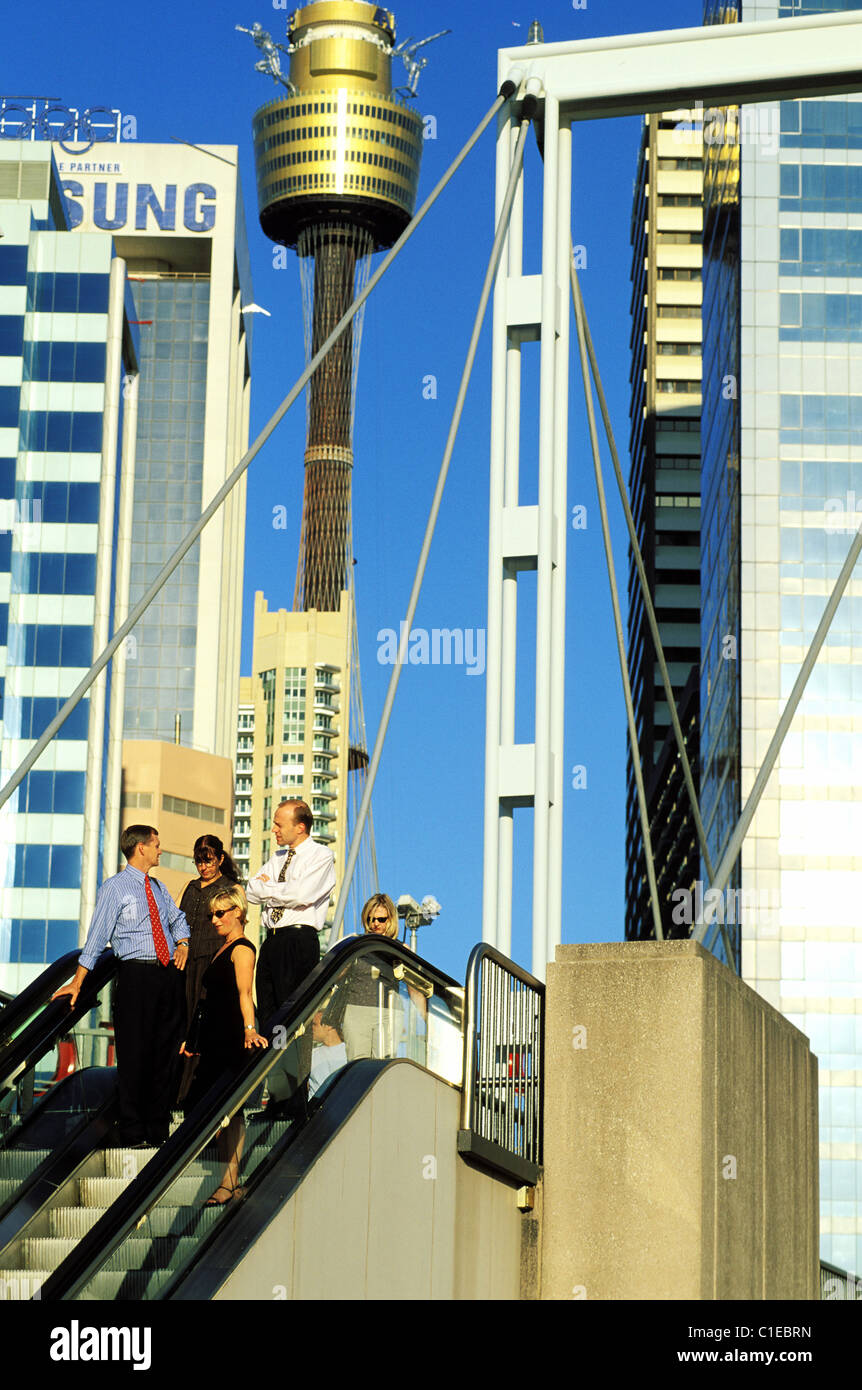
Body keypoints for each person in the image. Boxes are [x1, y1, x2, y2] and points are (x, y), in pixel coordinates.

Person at [52, 825, 189, 1148]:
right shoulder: (115, 888)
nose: (160, 849)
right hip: (135, 978)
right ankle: (133, 1132)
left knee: (165, 1055)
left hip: (167, 976)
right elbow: (97, 937)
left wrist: (182, 942)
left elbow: (178, 918)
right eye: (156, 844)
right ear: (140, 848)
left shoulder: (158, 887)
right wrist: (78, 981)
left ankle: (157, 1131)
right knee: (134, 1055)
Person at [246, 798, 335, 1119]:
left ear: (300, 827)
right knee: (271, 1020)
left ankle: (296, 1100)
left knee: (294, 1020)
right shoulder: (277, 858)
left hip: (299, 941)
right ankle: (278, 1099)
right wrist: (278, 888)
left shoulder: (322, 856)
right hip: (272, 941)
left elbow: (303, 894)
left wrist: (272, 889)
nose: (274, 830)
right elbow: (250, 889)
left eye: (279, 824)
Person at [180, 884, 267, 1205]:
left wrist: (248, 1029)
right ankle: (229, 1181)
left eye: (220, 913)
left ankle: (228, 1183)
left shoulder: (242, 948)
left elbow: (245, 993)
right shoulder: (221, 948)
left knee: (230, 1111)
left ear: (238, 913)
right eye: (211, 914)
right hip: (214, 1037)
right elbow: (208, 1001)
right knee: (218, 1110)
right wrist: (193, 1039)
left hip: (233, 1035)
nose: (214, 920)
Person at [176, 835, 242, 1103]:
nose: (203, 867)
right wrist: (180, 944)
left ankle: (199, 1096)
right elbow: (178, 923)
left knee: (205, 1027)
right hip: (187, 965)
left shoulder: (231, 888)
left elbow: (239, 929)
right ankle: (178, 1095)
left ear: (220, 859)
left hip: (215, 965)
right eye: (199, 862)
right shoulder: (190, 887)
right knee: (183, 1026)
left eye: (208, 861)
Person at [341, 894, 405, 1061]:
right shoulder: (356, 944)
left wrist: (427, 1018)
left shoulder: (401, 949)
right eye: (371, 919)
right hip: (357, 1009)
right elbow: (338, 976)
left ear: (390, 919)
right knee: (357, 1066)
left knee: (381, 1068)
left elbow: (415, 988)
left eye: (381, 919)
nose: (375, 923)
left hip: (388, 1012)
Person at [308, 1007, 348, 1099]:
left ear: (329, 1026)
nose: (311, 1029)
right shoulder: (311, 1054)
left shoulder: (349, 1053)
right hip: (314, 1109)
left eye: (314, 1025)